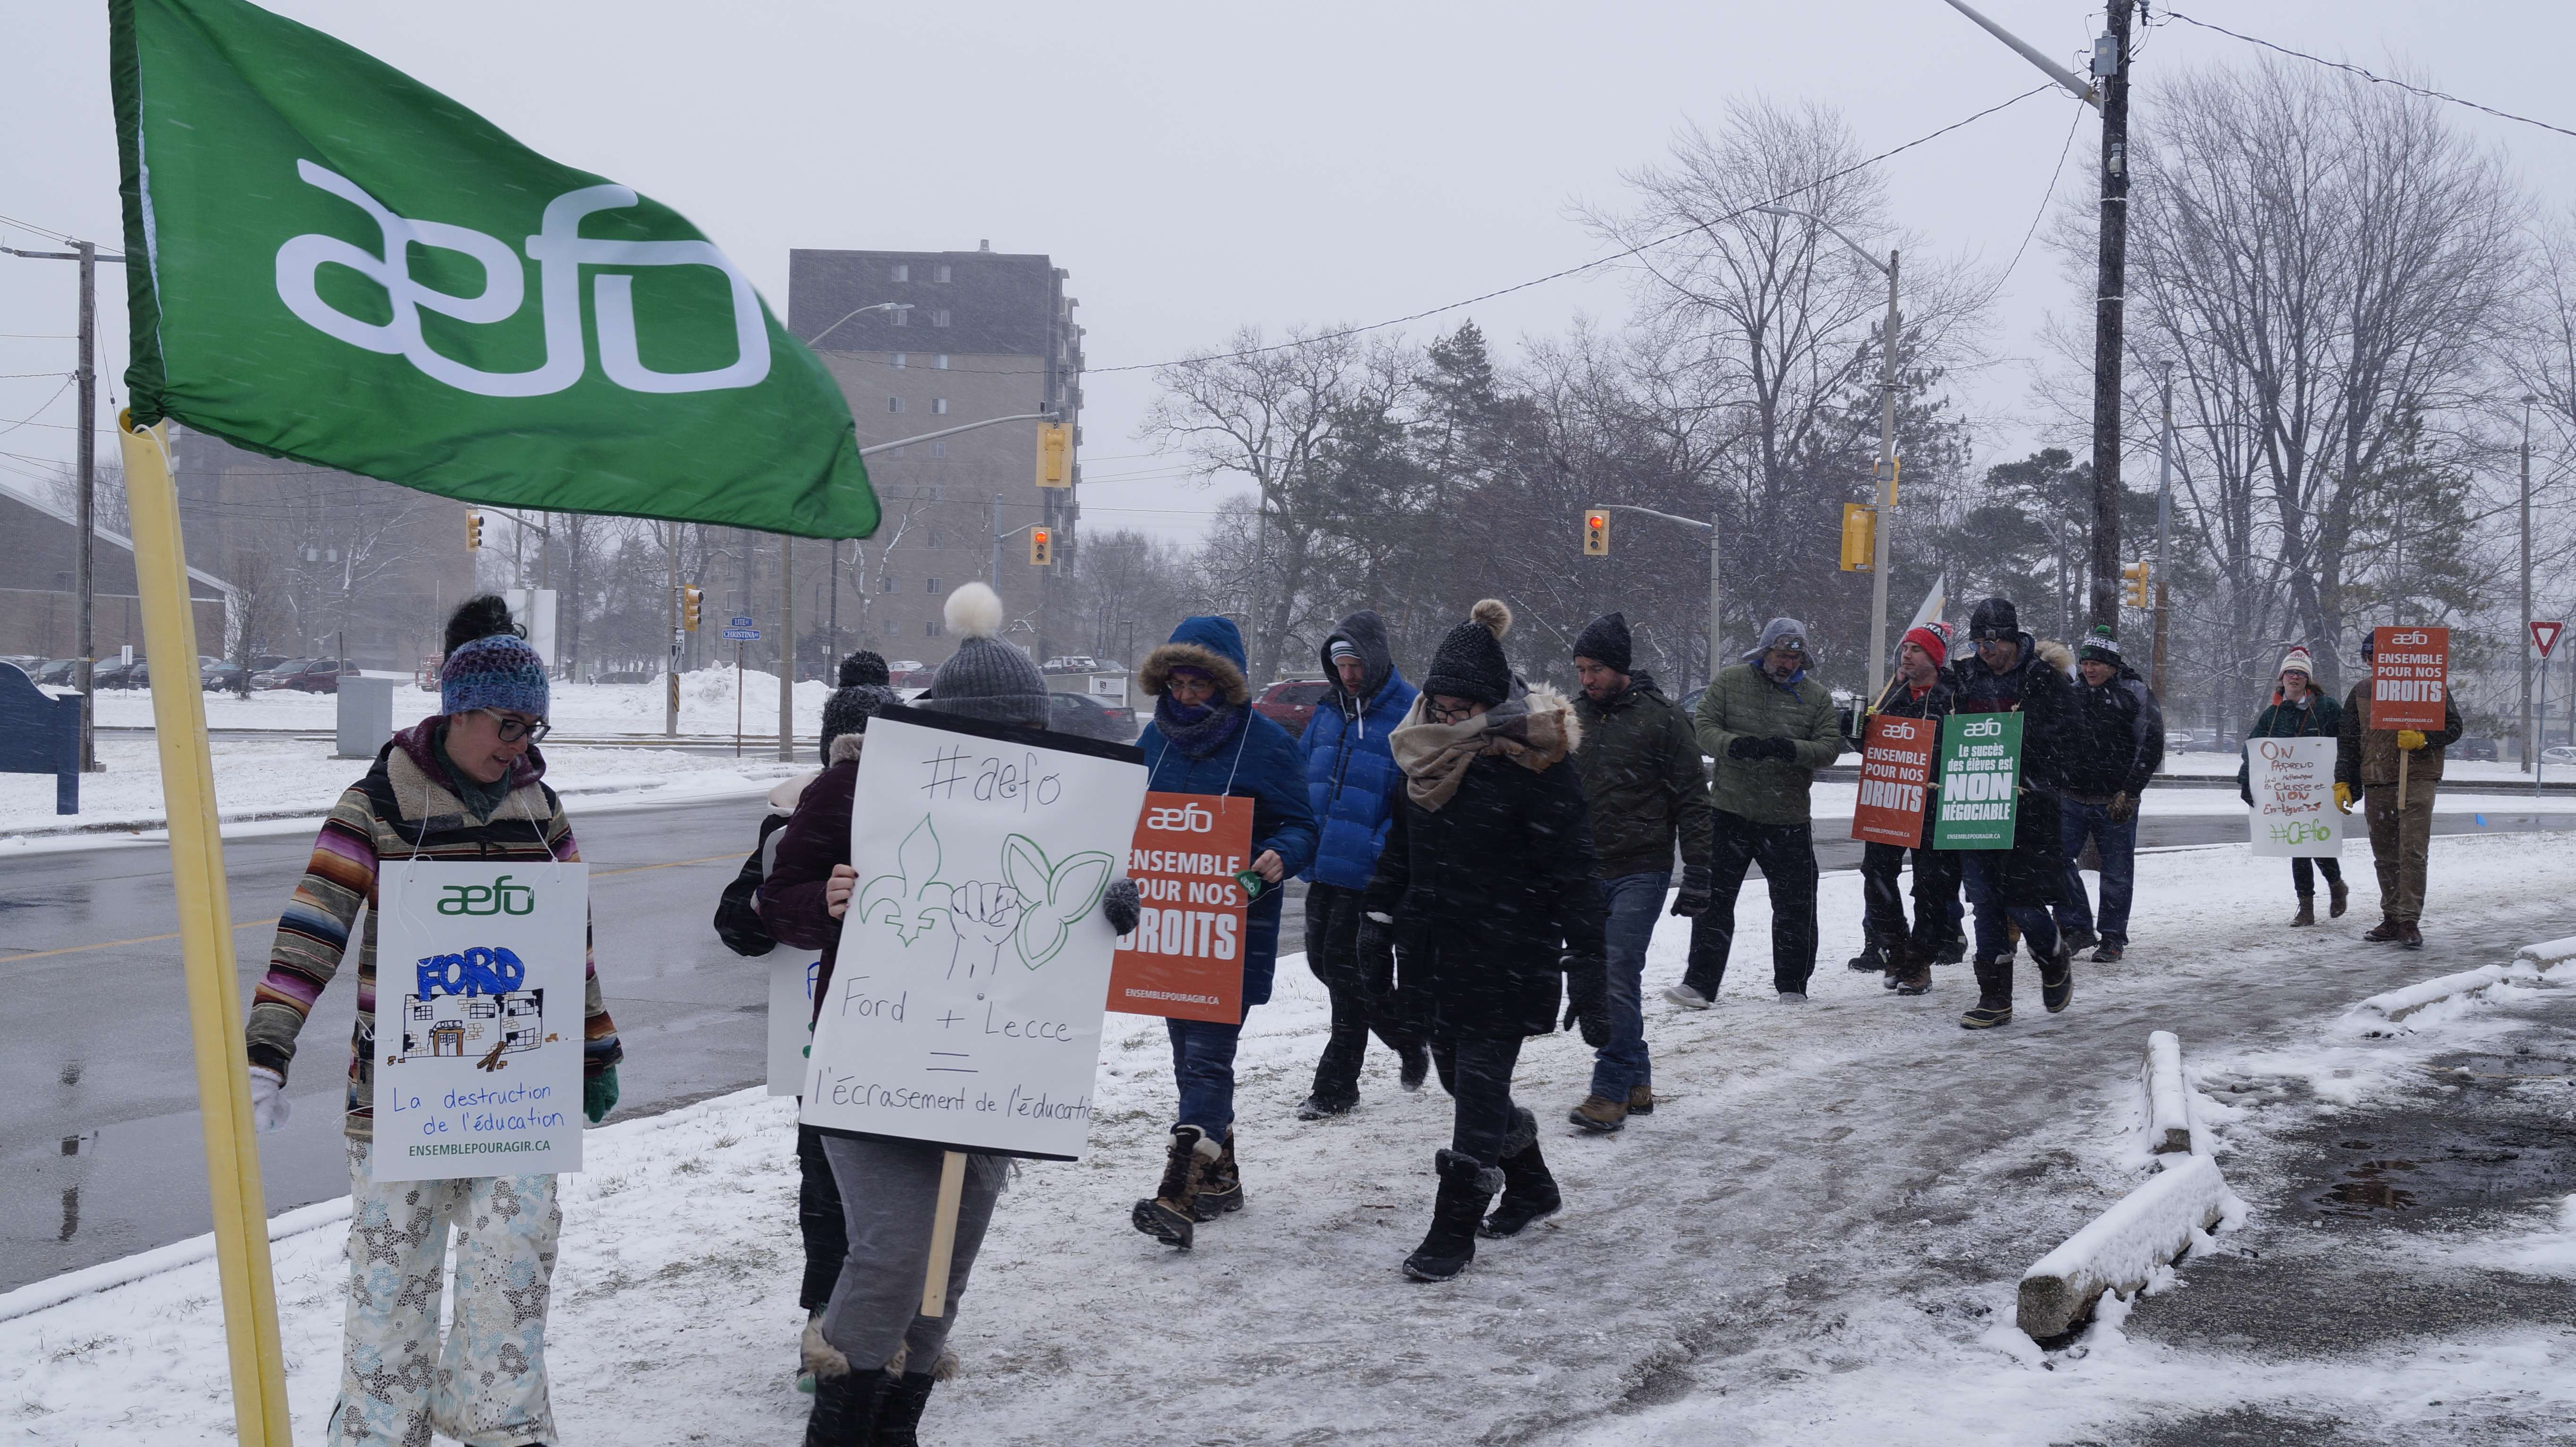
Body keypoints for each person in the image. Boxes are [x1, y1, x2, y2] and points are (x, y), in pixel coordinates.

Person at [761, 582, 1143, 1444]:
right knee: (894, 1250)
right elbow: (772, 904)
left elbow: (1073, 913)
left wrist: (1115, 905)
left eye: (1031, 735)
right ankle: (837, 1427)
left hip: (996, 1066)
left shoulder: (1060, 803)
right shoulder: (859, 788)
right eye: (1004, 733)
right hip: (875, 1057)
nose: (1019, 751)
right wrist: (823, 897)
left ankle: (895, 1428)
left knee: (945, 1273)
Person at [242, 595, 622, 1447]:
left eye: (534, 726)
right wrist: (267, 1046)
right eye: (508, 723)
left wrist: (595, 1048)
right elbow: (314, 926)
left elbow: (573, 942)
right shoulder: (376, 803)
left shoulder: (539, 810)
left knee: (512, 1274)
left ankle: (502, 1423)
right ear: (459, 711)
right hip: (399, 1101)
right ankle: (380, 1430)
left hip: (516, 1096)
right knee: (392, 1289)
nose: (521, 743)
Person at [1365, 599, 1606, 1280]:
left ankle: (1453, 1229)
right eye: (1439, 705)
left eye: (1461, 707)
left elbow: (1575, 866)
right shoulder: (1420, 758)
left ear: (1490, 703)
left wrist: (1587, 956)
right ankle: (1531, 1183)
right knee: (1457, 1078)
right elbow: (1400, 852)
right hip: (1436, 949)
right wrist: (1375, 920)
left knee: (1476, 1089)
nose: (1447, 719)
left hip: (1508, 949)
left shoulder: (1535, 761)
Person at [1128, 615, 1318, 1248]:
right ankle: (1224, 1179)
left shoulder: (1265, 744)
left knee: (1209, 1062)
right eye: (1177, 683)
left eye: (1199, 685)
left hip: (1231, 928)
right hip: (1164, 933)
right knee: (1189, 1060)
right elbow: (1117, 823)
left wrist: (1280, 856)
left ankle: (1177, 1194)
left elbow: (1301, 826)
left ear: (1226, 686)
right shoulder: (1150, 743)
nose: (1185, 696)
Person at [1563, 611, 1712, 1132]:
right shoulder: (1571, 717)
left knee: (1616, 974)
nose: (1586, 680)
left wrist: (1698, 871)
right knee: (1600, 976)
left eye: (1595, 670)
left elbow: (1693, 800)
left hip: (1640, 868)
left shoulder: (1663, 718)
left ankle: (1608, 1092)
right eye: (1580, 670)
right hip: (1584, 870)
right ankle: (1637, 1079)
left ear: (1620, 667)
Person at [1665, 616, 1841, 1007]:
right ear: (1764, 652)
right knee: (1714, 901)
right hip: (1729, 811)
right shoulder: (1730, 682)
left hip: (1788, 818)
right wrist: (1733, 745)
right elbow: (1704, 726)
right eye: (1780, 655)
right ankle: (1699, 985)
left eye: (1795, 658)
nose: (1787, 664)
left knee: (1796, 905)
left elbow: (1831, 746)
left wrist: (1792, 750)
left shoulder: (1816, 697)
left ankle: (1793, 985)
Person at [1294, 609, 1428, 1120]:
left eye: (1355, 664)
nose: (1348, 674)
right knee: (1322, 965)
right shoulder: (1328, 711)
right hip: (1322, 864)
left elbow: (1413, 795)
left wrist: (1380, 854)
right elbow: (1299, 776)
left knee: (1346, 975)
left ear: (1373, 659)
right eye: (1340, 665)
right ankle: (1407, 1035)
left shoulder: (1408, 711)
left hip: (1370, 873)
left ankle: (1335, 1087)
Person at [1947, 597, 2080, 1029]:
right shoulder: (1963, 679)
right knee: (1985, 903)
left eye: (1993, 642)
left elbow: (2071, 744)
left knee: (2021, 900)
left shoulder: (2044, 681)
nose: (1986, 652)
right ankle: (1994, 998)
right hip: (1973, 803)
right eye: (1979, 643)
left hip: (2029, 807)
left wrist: (2029, 764)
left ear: (2012, 639)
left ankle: (2052, 954)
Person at [2334, 634, 2463, 949]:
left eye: (2381, 657)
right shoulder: (2361, 692)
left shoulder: (2430, 687)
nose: (2375, 664)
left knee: (2413, 851)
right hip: (2377, 777)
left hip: (2418, 776)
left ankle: (2409, 920)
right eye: (2371, 658)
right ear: (2367, 661)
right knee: (2385, 855)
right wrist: (2344, 780)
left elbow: (2454, 726)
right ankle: (2391, 917)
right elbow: (2349, 740)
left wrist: (2425, 740)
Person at [1855, 621, 1963, 996]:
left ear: (1935, 657)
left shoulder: (1954, 696)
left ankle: (1919, 961)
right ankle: (1897, 949)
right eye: (1904, 649)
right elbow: (1869, 742)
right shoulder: (1890, 695)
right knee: (1877, 876)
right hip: (1893, 804)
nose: (1906, 655)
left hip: (1937, 806)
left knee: (1932, 888)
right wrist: (1855, 730)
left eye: (1916, 649)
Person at [2052, 626, 2163, 962]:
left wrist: (2130, 792)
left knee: (2117, 872)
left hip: (2116, 801)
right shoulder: (2069, 693)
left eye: (2098, 663)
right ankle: (2078, 928)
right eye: (2086, 662)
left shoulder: (2136, 693)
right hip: (2070, 797)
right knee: (2053, 862)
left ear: (2113, 665)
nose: (2090, 669)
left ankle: (2113, 939)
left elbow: (2151, 744)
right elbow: (2054, 741)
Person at [2236, 646, 2349, 926]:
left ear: (2308, 679)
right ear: (2282, 677)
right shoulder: (2273, 714)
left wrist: (2347, 780)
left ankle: (2336, 885)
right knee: (2298, 845)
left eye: (2301, 673)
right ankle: (2307, 906)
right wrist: (2246, 781)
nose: (2295, 678)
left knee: (2317, 843)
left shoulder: (2327, 708)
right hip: (2286, 793)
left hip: (2321, 790)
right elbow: (2252, 750)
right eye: (2290, 672)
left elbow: (2348, 744)